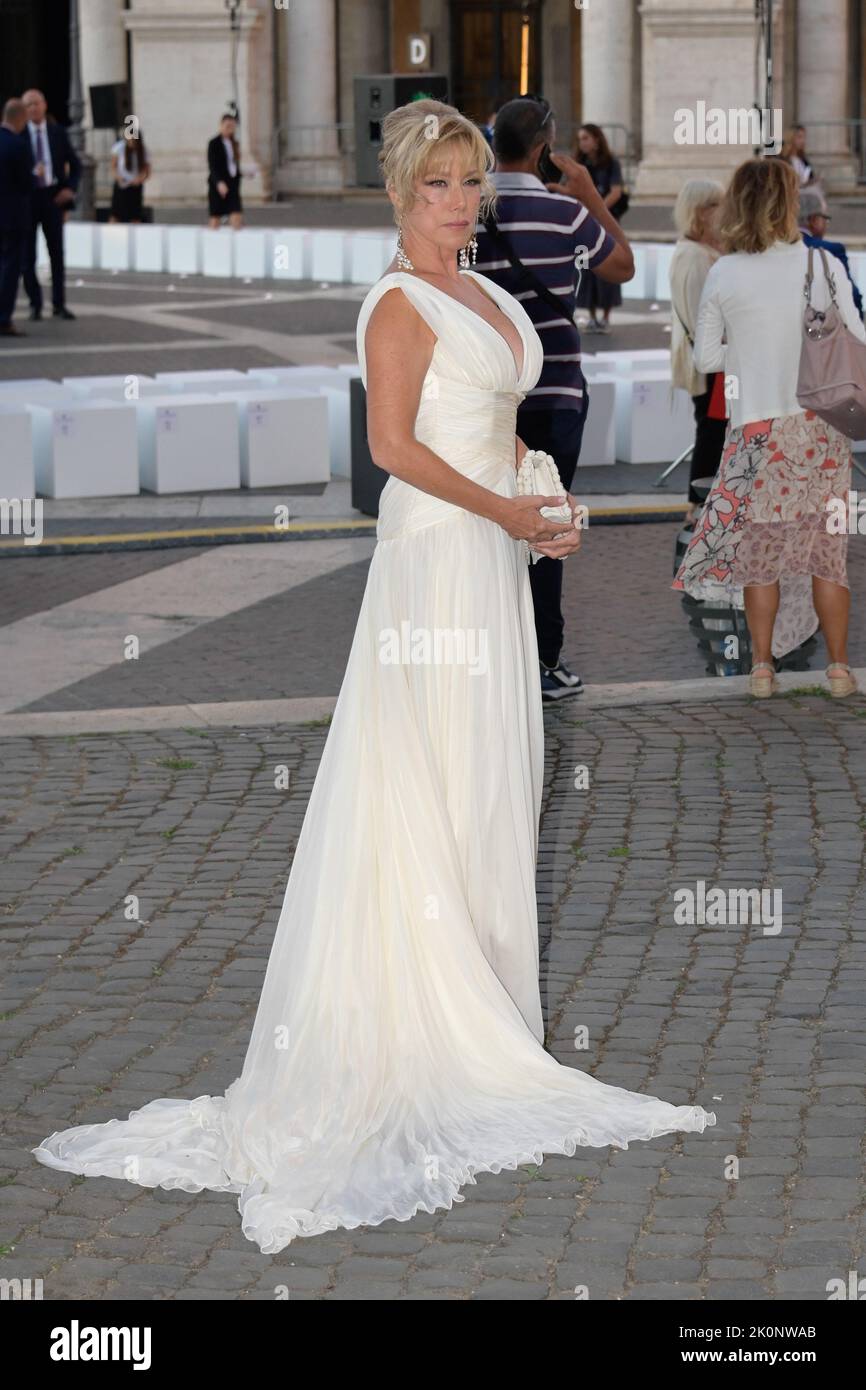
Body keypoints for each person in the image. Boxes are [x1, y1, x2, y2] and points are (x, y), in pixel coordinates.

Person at [32, 99, 715, 1253]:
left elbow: (493, 426)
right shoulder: (400, 300)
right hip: (435, 565)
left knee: (490, 773)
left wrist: (539, 501)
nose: (458, 201)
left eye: (467, 183)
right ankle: (412, 1024)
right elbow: (395, 447)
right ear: (399, 193)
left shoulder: (482, 289)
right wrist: (502, 508)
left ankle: (481, 1001)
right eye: (437, 185)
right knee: (423, 771)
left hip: (489, 554)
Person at [673, 157, 864, 699]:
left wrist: (750, 348)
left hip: (756, 432)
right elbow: (854, 332)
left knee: (761, 557)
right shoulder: (822, 266)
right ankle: (839, 670)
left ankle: (760, 669)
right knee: (828, 555)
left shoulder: (725, 271)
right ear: (790, 205)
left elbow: (709, 355)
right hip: (819, 430)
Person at [474, 97, 633, 701]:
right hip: (557, 390)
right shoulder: (565, 211)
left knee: (488, 523)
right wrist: (590, 193)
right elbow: (622, 267)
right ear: (544, 149)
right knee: (548, 524)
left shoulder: (470, 209)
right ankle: (543, 662)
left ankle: (490, 657)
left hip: (490, 396)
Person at [668, 179, 726, 523]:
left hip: (716, 357)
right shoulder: (693, 256)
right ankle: (699, 503)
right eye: (717, 204)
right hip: (708, 360)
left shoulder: (707, 250)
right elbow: (697, 317)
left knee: (714, 429)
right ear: (701, 212)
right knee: (710, 429)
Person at [21, 88, 79, 322]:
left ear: (44, 105)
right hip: (28, 200)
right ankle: (35, 304)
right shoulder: (19, 135)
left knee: (57, 253)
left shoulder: (58, 133)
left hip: (53, 199)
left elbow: (75, 165)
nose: (33, 108)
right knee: (27, 257)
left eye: (36, 103)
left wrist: (69, 189)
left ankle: (59, 303)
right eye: (28, 105)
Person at [574, 123, 626, 334]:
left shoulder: (611, 163)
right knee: (587, 269)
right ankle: (593, 315)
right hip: (586, 221)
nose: (582, 143)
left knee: (607, 266)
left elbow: (616, 190)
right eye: (580, 139)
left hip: (606, 222)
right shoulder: (580, 164)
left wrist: (599, 208)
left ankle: (605, 316)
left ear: (596, 139)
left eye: (586, 138)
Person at [798, 187, 863, 320]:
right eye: (825, 218)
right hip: (819, 334)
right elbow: (852, 298)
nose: (826, 224)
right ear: (814, 219)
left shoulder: (773, 246)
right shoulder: (831, 250)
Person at [0, 98, 31, 337]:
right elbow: (25, 184)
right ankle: (3, 319)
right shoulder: (18, 145)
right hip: (12, 217)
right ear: (20, 118)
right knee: (10, 268)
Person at [207, 114, 243, 229]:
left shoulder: (234, 143)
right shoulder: (214, 143)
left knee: (236, 214)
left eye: (232, 127)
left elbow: (233, 164)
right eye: (228, 126)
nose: (230, 129)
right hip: (218, 184)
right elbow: (212, 166)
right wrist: (219, 182)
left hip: (232, 183)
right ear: (221, 126)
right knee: (215, 217)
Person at [109, 128, 150, 224]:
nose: (131, 142)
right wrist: (119, 178)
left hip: (135, 185)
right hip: (122, 185)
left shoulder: (143, 151)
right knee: (116, 214)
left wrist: (139, 179)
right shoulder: (119, 148)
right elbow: (113, 167)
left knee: (135, 215)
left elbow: (146, 170)